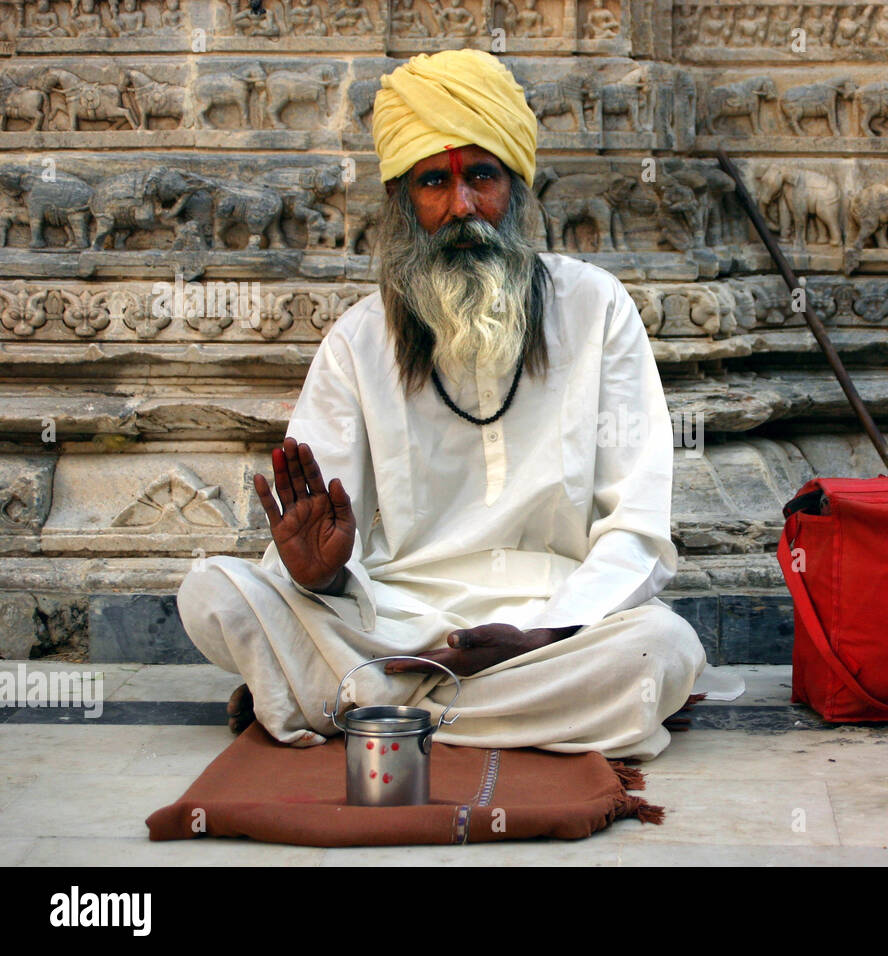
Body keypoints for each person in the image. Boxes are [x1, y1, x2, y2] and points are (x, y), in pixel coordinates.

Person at [177, 49, 732, 761]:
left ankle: (349, 702)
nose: (462, 207)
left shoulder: (596, 308)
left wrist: (547, 633)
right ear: (405, 201)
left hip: (553, 625)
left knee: (662, 649)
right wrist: (319, 572)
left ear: (517, 188)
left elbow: (638, 526)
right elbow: (318, 543)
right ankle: (451, 702)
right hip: (392, 623)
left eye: (482, 177)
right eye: (434, 181)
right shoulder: (357, 341)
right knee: (211, 592)